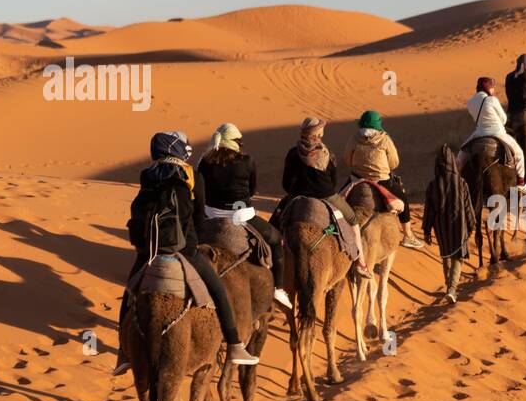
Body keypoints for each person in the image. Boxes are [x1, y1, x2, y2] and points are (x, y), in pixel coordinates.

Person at [113, 130, 259, 376]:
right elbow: (199, 216)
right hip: (185, 249)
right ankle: (235, 344)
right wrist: (194, 242)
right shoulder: (191, 175)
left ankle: (123, 353)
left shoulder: (147, 175)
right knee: (217, 289)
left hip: (148, 250)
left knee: (129, 293)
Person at [197, 123, 291, 310]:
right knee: (276, 240)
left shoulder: (204, 161)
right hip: (242, 216)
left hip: (210, 215)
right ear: (235, 143)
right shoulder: (247, 161)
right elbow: (252, 190)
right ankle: (278, 289)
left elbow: (200, 190)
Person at [281, 117, 370, 277]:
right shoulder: (325, 153)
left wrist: (295, 191)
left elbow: (286, 182)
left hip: (297, 195)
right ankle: (360, 263)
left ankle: (272, 261)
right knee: (353, 219)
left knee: (277, 219)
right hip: (325, 195)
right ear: (319, 133)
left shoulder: (293, 153)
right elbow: (332, 181)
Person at [343, 110, 422, 249]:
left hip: (356, 179)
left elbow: (347, 160)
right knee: (403, 199)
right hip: (382, 181)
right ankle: (408, 235)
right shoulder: (384, 139)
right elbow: (394, 162)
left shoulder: (354, 138)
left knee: (339, 199)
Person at [459, 77, 526, 195]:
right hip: (497, 132)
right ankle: (521, 183)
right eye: (492, 88)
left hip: (478, 133)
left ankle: (456, 181)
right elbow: (503, 119)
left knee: (461, 155)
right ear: (488, 88)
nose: (493, 90)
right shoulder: (492, 100)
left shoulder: (470, 102)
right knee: (519, 153)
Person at [423, 143, 475, 303]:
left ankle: (449, 286)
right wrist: (471, 224)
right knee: (458, 257)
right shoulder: (462, 183)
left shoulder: (432, 185)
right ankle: (452, 289)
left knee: (446, 255)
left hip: (441, 228)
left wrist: (427, 230)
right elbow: (467, 207)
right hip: (459, 226)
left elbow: (429, 210)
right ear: (453, 162)